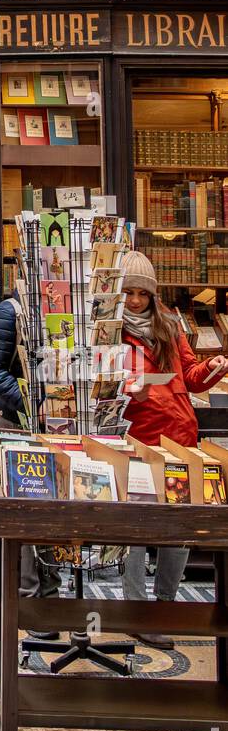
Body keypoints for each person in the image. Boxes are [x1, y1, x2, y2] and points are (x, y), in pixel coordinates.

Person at [119, 251, 228, 648]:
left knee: (179, 529)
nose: (133, 301)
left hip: (179, 437)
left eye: (141, 294)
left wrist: (213, 367)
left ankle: (165, 603)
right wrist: (130, 387)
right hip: (137, 437)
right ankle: (136, 609)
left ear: (152, 295)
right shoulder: (111, 330)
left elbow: (193, 378)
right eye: (127, 292)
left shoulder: (169, 325)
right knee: (135, 527)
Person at [0, 293, 60, 624]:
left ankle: (50, 593)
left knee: (52, 509)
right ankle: (26, 599)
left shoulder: (58, 315)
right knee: (23, 506)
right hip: (16, 423)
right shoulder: (8, 313)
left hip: (54, 426)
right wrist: (29, 401)